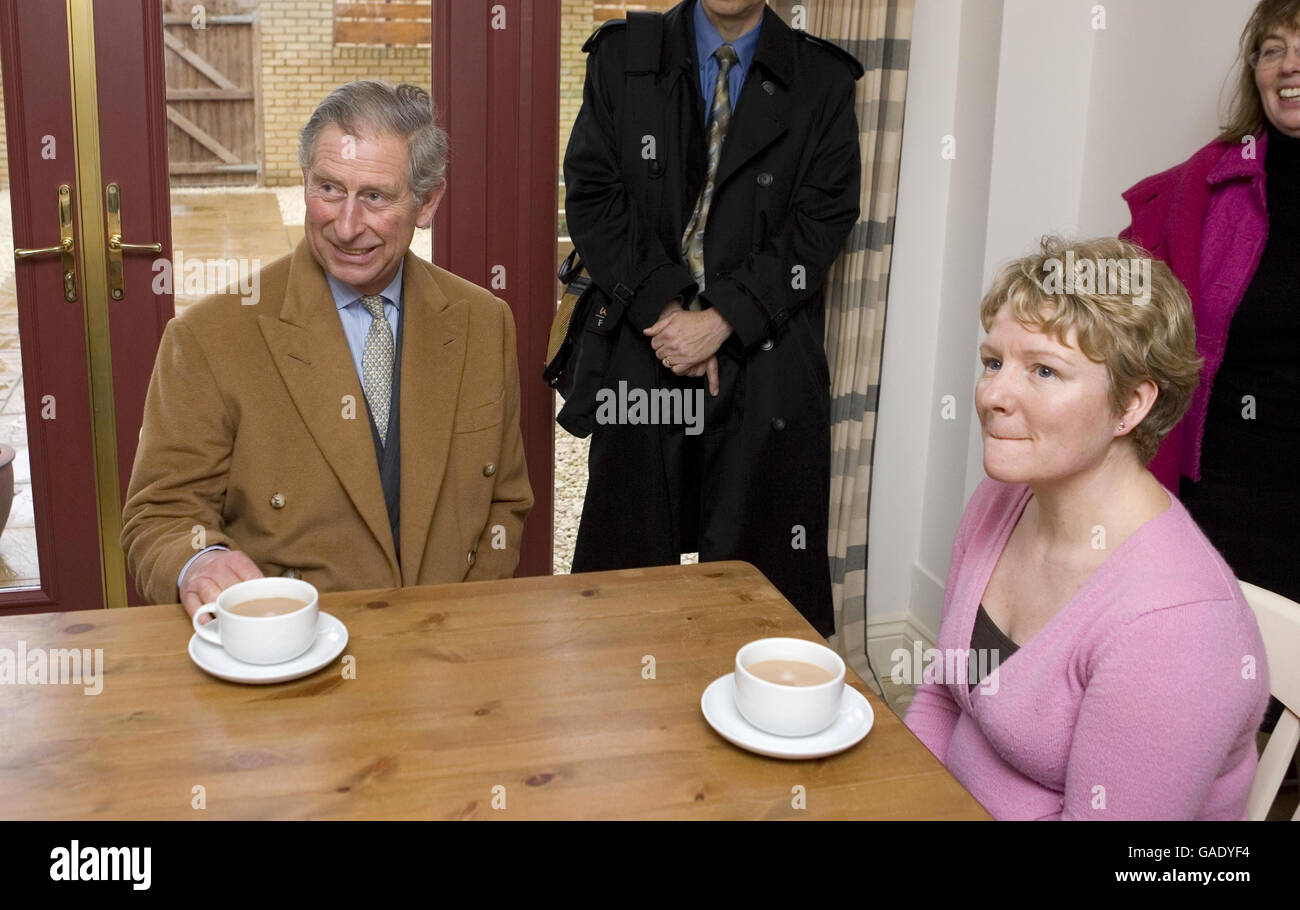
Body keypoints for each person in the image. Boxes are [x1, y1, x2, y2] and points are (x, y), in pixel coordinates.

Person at [122, 81, 532, 617]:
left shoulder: (485, 322)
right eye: (329, 189)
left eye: (375, 197)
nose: (345, 225)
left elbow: (506, 502)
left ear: (427, 201)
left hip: (448, 652)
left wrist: (462, 618)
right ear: (304, 182)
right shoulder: (206, 338)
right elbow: (161, 515)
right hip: (292, 658)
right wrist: (199, 561)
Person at [903, 236, 1269, 820]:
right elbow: (942, 701)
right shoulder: (1002, 500)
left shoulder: (1177, 628)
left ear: (1130, 406)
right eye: (993, 362)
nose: (993, 394)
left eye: (1044, 371)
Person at [562, 0, 862, 636]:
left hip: (765, 349)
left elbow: (822, 221)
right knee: (624, 582)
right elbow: (593, 193)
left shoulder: (824, 79)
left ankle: (753, 716)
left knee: (760, 603)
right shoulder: (622, 56)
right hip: (647, 339)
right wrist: (667, 308)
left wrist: (724, 317)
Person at [1120, 0, 1300, 610]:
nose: (1287, 66)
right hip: (1221, 480)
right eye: (1272, 50)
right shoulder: (1210, 181)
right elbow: (1122, 290)